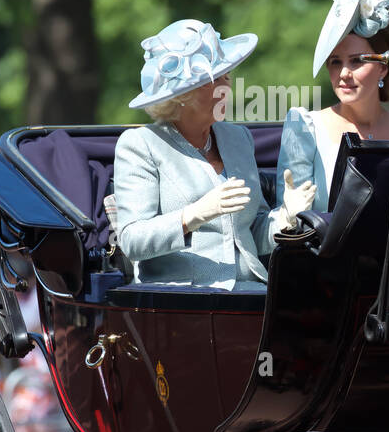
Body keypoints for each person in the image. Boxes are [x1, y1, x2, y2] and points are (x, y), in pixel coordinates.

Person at [113, 19, 317, 291]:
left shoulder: (239, 139)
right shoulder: (141, 145)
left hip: (251, 291)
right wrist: (195, 214)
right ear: (182, 93)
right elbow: (132, 241)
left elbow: (250, 233)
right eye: (217, 79)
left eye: (227, 77)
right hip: (181, 299)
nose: (227, 87)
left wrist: (285, 218)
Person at [277, 0, 389, 209]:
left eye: (357, 60)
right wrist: (289, 215)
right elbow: (291, 224)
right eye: (335, 62)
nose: (344, 73)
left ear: (383, 67)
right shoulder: (304, 127)